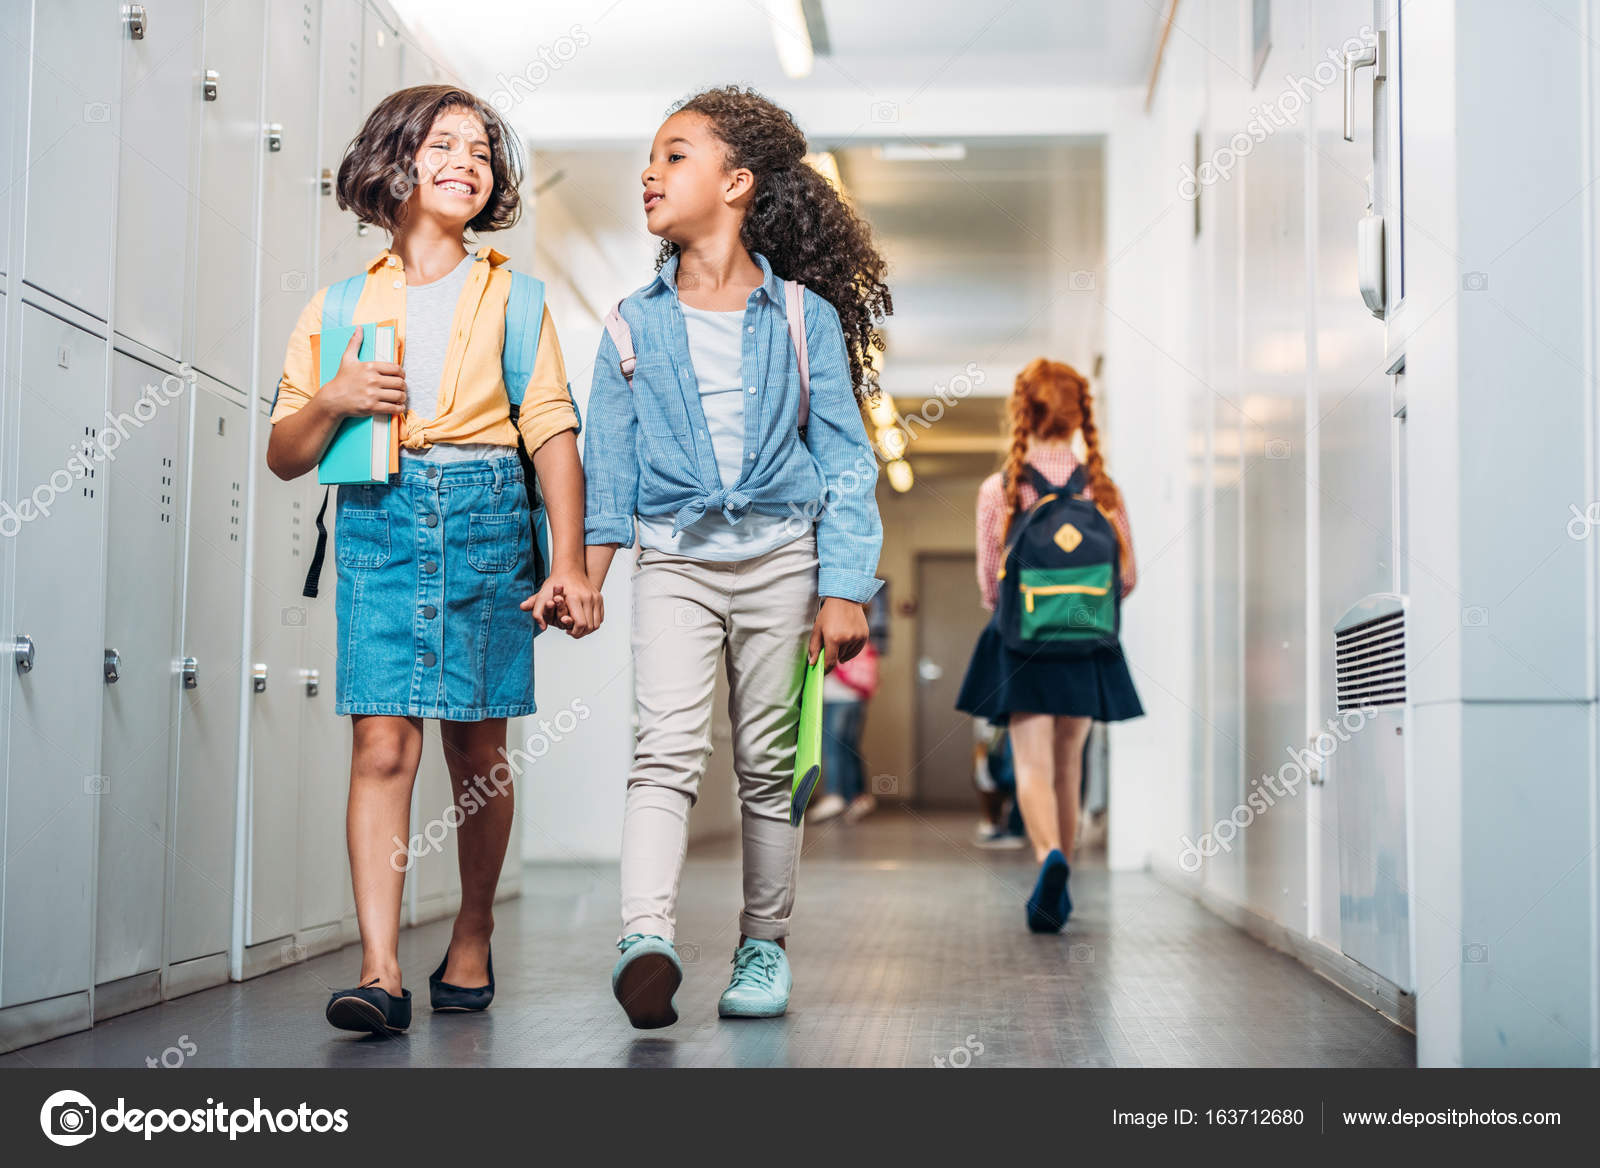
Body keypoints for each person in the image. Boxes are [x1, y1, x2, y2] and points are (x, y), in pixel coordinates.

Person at [266, 86, 600, 1035]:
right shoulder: (337, 305)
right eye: (445, 143)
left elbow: (550, 432)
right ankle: (380, 970)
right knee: (381, 744)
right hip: (380, 514)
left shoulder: (517, 296)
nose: (468, 160)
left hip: (491, 515)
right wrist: (334, 397)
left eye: (483, 150)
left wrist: (567, 563)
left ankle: (473, 930)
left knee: (476, 749)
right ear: (396, 160)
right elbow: (286, 453)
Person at [581, 86, 890, 1028]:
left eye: (674, 155)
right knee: (663, 753)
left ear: (737, 182)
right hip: (673, 560)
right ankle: (646, 938)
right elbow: (609, 470)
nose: (650, 171)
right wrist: (583, 580)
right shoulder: (632, 324)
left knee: (765, 763)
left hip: (780, 560)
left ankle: (763, 947)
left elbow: (843, 459)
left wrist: (845, 590)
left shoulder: (802, 318)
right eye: (651, 157)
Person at [955, 358, 1142, 932]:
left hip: (1023, 645)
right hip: (1088, 648)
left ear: (1022, 413)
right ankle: (1066, 872)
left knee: (1030, 765)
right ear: (1079, 414)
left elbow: (991, 581)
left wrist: (1023, 612)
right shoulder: (1103, 489)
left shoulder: (1001, 488)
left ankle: (1048, 859)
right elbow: (1127, 578)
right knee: (1069, 767)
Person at [810, 638, 879, 824]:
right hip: (856, 698)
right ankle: (856, 798)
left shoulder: (837, 632)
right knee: (849, 748)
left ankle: (833, 795)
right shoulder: (864, 639)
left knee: (832, 748)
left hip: (837, 696)